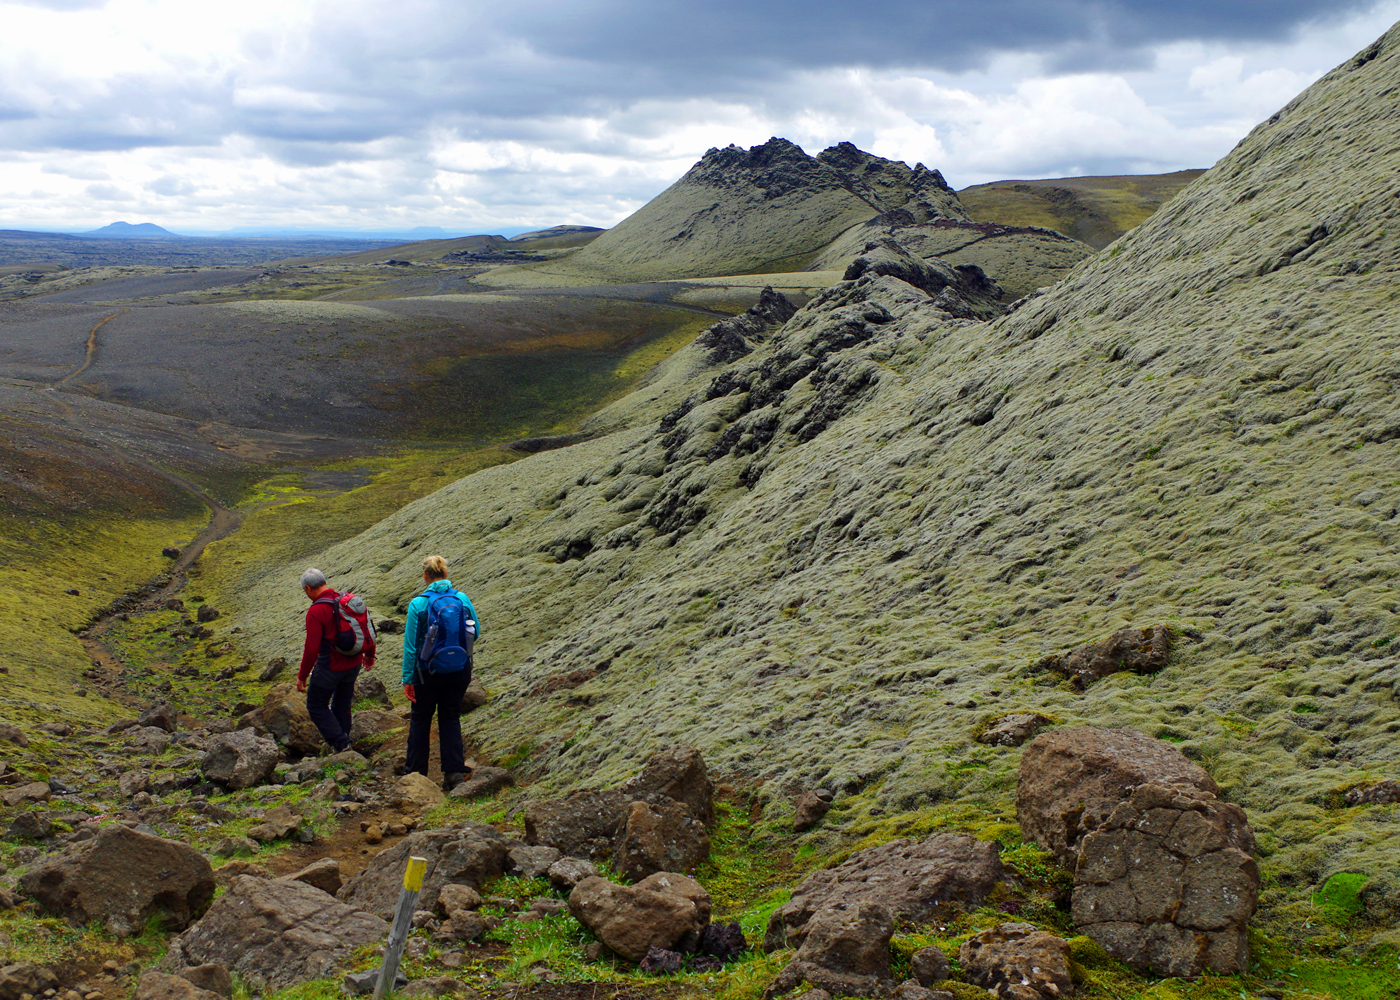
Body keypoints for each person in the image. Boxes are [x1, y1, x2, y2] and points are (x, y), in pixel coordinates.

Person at [402, 554, 480, 790]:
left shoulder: (418, 604)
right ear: (445, 574)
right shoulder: (462, 598)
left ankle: (416, 774)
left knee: (421, 718)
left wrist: (408, 679)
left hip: (428, 673)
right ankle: (454, 773)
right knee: (450, 716)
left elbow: (411, 646)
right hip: (459, 670)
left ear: (425, 576)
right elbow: (475, 632)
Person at [296, 567, 376, 753]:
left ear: (308, 588)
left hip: (331, 666)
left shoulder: (316, 611)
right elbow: (367, 627)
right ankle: (345, 741)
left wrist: (302, 675)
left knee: (316, 705)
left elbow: (312, 649)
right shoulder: (347, 601)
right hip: (354, 663)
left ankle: (341, 743)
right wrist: (370, 654)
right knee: (342, 702)